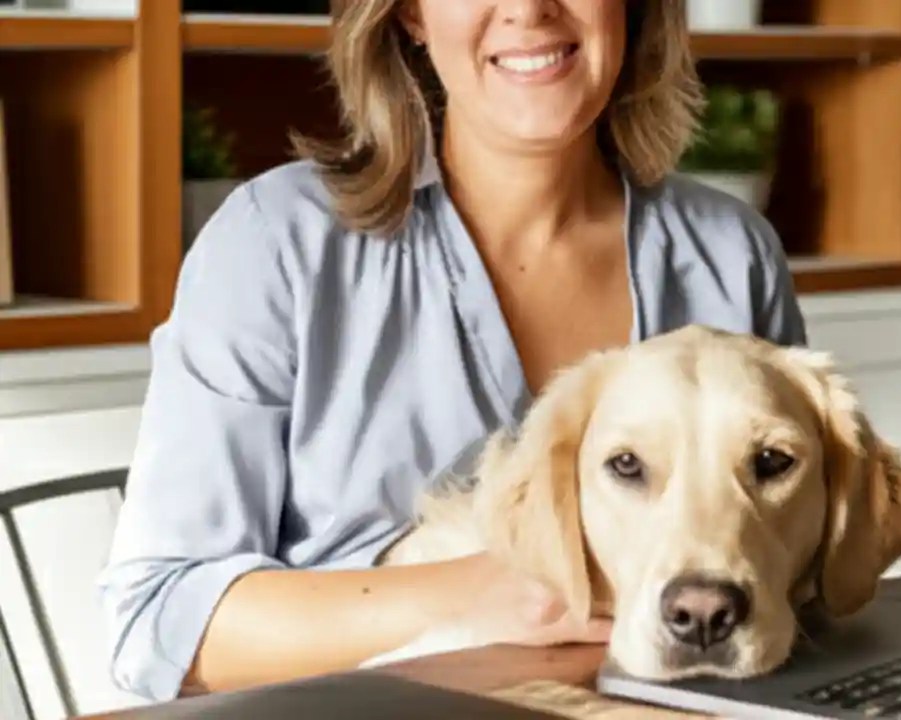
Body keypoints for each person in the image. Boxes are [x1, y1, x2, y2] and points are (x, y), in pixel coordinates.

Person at [98, 0, 807, 703]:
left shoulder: (730, 256)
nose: (529, 11)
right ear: (409, 14)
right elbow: (155, 619)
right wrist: (491, 591)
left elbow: (797, 566)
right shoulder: (274, 245)